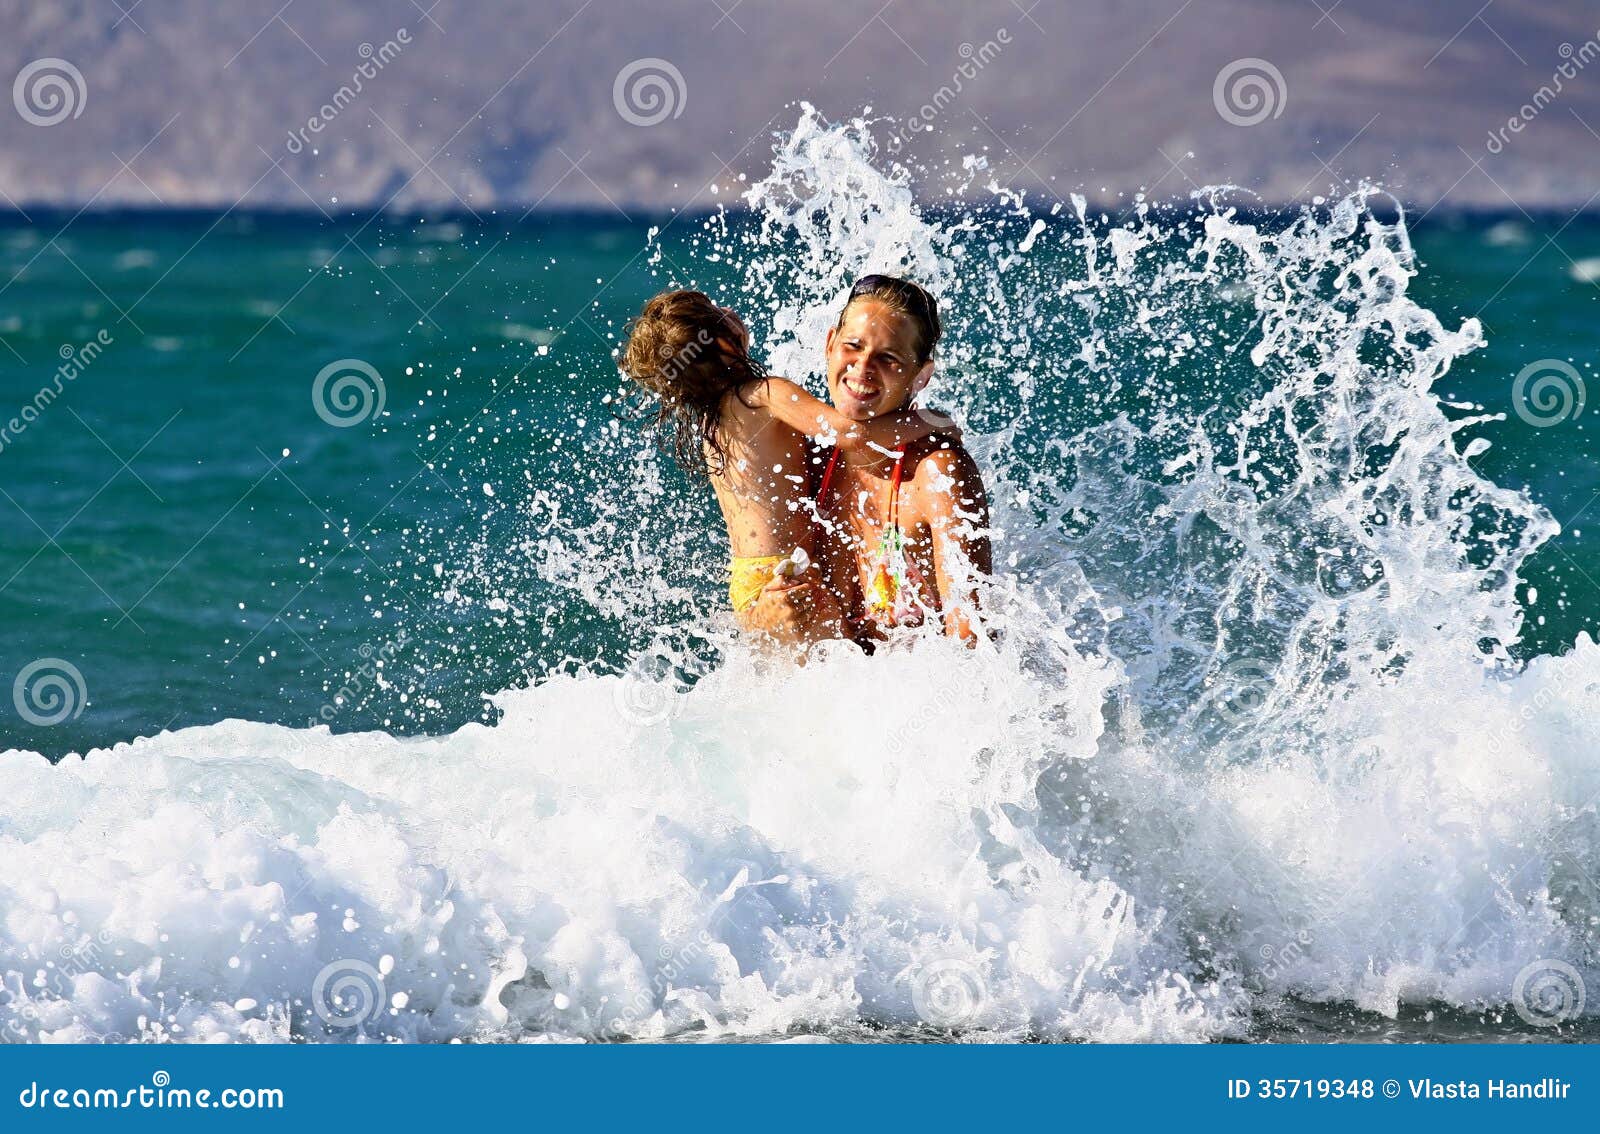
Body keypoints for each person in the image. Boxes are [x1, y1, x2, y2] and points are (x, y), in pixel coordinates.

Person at [618, 289, 954, 645]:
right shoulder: (764, 394)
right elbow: (850, 433)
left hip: (750, 586)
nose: (729, 307)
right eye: (718, 312)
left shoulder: (712, 425)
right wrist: (933, 421)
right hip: (787, 577)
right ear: (722, 344)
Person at [744, 275, 992, 646]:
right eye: (853, 347)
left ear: (921, 376)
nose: (862, 368)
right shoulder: (805, 459)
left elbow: (973, 644)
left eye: (888, 358)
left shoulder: (937, 474)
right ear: (830, 344)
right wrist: (766, 615)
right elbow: (753, 625)